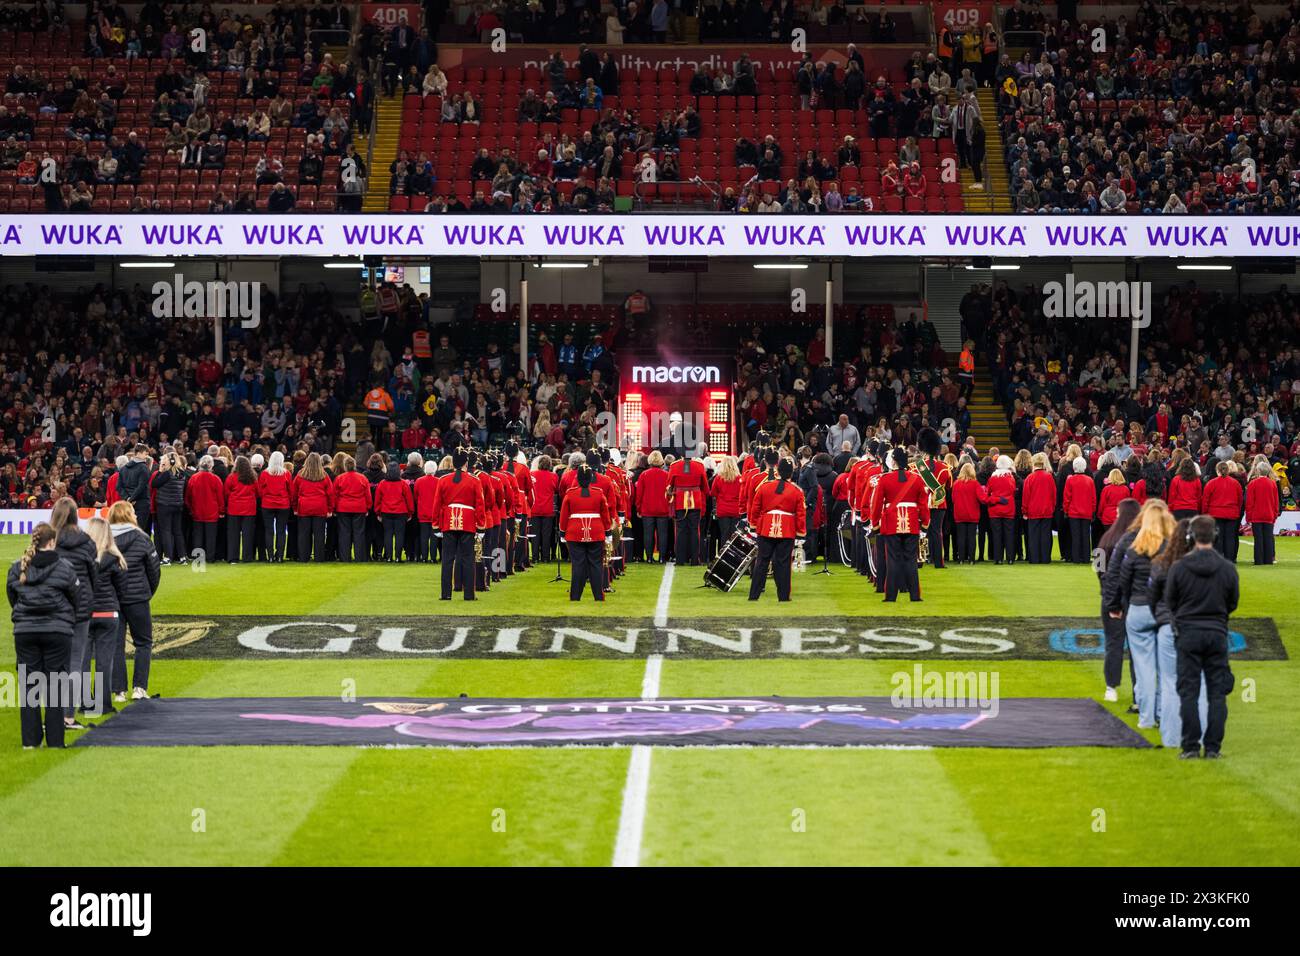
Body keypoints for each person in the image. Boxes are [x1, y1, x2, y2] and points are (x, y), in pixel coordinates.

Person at [1165, 516, 1239, 759]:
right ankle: (1213, 747)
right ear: (1215, 536)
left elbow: (1170, 602)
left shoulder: (1179, 568)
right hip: (1216, 633)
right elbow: (1232, 602)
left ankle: (1190, 746)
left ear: (1191, 537)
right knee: (1217, 692)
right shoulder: (1228, 568)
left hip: (1188, 633)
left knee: (1189, 691)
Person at [7, 523, 79, 748]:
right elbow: (76, 597)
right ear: (52, 542)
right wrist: (67, 618)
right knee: (56, 685)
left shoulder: (18, 567)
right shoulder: (63, 566)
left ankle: (30, 740)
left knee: (29, 685)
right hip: (56, 629)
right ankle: (56, 740)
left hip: (25, 630)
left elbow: (13, 597)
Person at [1108, 500, 1176, 728]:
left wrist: (1118, 604)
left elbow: (1120, 578)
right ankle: (1162, 715)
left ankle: (1146, 717)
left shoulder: (1133, 545)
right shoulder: (1172, 548)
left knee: (1144, 667)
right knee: (1166, 670)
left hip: (1138, 608)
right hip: (1164, 611)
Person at [1149, 518, 1209, 750]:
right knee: (1200, 683)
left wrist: (1163, 618)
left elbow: (1154, 598)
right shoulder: (1212, 566)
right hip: (1198, 628)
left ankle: (1172, 737)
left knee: (1170, 682)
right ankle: (1201, 737)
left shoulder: (1163, 565)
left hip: (1170, 627)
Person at [108, 500, 160, 704]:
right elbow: (154, 570)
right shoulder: (142, 538)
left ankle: (118, 691)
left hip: (112, 598)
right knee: (144, 642)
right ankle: (139, 688)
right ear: (129, 516)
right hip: (137, 597)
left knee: (116, 645)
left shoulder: (103, 539)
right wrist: (147, 592)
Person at [50, 498, 95, 730]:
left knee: (52, 664)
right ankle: (67, 716)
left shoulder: (48, 542)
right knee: (75, 662)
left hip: (53, 607)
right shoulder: (86, 541)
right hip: (80, 607)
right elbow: (93, 574)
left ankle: (52, 716)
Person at [1096, 498, 1141, 705]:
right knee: (1136, 648)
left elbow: (1099, 569)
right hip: (1134, 599)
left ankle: (1111, 687)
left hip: (1111, 597)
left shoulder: (1106, 538)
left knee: (1113, 644)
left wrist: (1108, 597)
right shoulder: (1141, 540)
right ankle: (1137, 691)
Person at [870, 447, 931, 601]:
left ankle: (891, 596)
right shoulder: (916, 478)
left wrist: (875, 524)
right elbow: (923, 505)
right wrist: (924, 523)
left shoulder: (885, 479)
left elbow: (876, 504)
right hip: (911, 522)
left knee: (892, 560)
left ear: (894, 461)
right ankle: (915, 595)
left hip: (891, 523)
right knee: (911, 560)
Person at [748, 458, 807, 602]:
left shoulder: (765, 487)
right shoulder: (796, 491)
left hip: (766, 527)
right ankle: (783, 596)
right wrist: (800, 532)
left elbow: (755, 508)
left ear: (778, 471)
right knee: (783, 563)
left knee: (761, 561)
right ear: (791, 473)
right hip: (786, 529)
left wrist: (754, 525)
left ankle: (754, 595)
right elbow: (800, 513)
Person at [433, 448, 486, 600]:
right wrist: (481, 526)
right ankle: (469, 594)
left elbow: (437, 504)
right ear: (465, 463)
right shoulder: (474, 480)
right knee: (468, 559)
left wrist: (436, 524)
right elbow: (480, 505)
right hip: (468, 522)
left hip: (448, 521)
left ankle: (445, 594)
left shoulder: (443, 480)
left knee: (448, 559)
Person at [560, 465, 611, 602]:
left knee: (578, 565)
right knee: (595, 565)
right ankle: (598, 596)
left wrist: (562, 532)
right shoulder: (598, 492)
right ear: (590, 478)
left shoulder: (570, 493)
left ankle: (575, 596)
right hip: (596, 532)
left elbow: (564, 515)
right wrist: (608, 532)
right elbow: (605, 515)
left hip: (574, 532)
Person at [666, 452, 709, 565]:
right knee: (695, 531)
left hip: (680, 501)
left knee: (680, 531)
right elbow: (705, 487)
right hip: (695, 501)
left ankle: (680, 559)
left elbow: (669, 485)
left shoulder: (674, 466)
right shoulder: (699, 465)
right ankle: (695, 560)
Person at [293, 451, 335, 562]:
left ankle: (303, 557)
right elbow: (330, 494)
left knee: (303, 535)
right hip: (320, 508)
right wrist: (330, 509)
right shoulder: (324, 475)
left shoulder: (300, 475)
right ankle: (319, 558)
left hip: (304, 507)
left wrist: (295, 508)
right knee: (319, 535)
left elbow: (294, 493)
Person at [1200, 460, 1244, 562]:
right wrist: (1237, 510)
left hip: (1215, 514)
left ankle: (1218, 558)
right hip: (1231, 513)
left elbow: (1205, 500)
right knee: (1230, 537)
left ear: (1217, 470)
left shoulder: (1211, 483)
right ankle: (1230, 559)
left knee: (1218, 537)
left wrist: (1205, 513)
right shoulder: (1235, 483)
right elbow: (1240, 499)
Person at [918, 428, 949, 568]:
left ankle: (921, 559)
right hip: (939, 504)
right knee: (936, 533)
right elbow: (949, 486)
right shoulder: (944, 467)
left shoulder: (915, 467)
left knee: (922, 531)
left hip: (922, 503)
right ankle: (938, 562)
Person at [151, 450, 188, 564]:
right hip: (177, 505)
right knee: (177, 531)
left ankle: (168, 557)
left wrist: (159, 471)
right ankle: (182, 557)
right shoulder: (182, 473)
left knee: (166, 531)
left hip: (164, 505)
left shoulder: (166, 474)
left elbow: (154, 484)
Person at [333, 454, 372, 561]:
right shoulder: (362, 478)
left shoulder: (339, 478)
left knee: (344, 534)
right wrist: (368, 507)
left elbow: (335, 495)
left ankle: (345, 557)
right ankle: (359, 557)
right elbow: (367, 495)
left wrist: (334, 508)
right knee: (359, 534)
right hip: (359, 508)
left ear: (345, 466)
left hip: (343, 508)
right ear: (354, 465)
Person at [184, 455, 224, 561]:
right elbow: (220, 497)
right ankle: (210, 558)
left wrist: (191, 509)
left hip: (197, 512)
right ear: (211, 465)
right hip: (212, 512)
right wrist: (221, 510)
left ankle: (198, 558)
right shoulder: (216, 479)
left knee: (198, 537)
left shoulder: (194, 478)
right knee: (211, 537)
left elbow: (188, 497)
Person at [636, 450, 671, 562]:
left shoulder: (644, 475)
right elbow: (670, 494)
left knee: (648, 534)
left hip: (647, 509)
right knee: (663, 535)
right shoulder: (666, 475)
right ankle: (661, 557)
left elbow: (639, 494)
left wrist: (638, 508)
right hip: (663, 509)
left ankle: (649, 557)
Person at [375, 462, 415, 562]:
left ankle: (388, 557)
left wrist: (378, 512)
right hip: (400, 512)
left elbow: (377, 500)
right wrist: (410, 512)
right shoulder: (403, 484)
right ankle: (397, 557)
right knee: (399, 535)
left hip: (386, 512)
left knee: (387, 534)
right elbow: (409, 500)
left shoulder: (382, 483)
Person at [1021, 452, 1057, 563]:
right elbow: (1053, 494)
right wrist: (1052, 507)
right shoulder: (1049, 477)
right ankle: (1045, 558)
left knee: (1033, 536)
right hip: (1047, 510)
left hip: (1033, 511)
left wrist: (1024, 511)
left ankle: (1034, 558)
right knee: (1045, 535)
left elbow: (1026, 496)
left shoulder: (1030, 478)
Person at [257, 451, 292, 562]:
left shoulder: (264, 473)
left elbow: (260, 491)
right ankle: (280, 556)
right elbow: (290, 491)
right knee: (281, 531)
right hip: (283, 505)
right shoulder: (286, 474)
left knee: (269, 531)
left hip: (267, 504)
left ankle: (271, 556)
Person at [224, 455, 259, 562]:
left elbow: (226, 492)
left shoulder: (231, 477)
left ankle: (233, 558)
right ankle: (247, 557)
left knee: (233, 535)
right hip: (249, 509)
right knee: (248, 535)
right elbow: (257, 493)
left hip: (234, 509)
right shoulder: (253, 478)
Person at [1062, 456, 1096, 563]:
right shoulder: (1090, 480)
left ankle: (1076, 558)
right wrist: (1093, 510)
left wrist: (1066, 510)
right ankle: (1086, 558)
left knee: (1075, 536)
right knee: (1086, 536)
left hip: (1073, 513)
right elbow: (1093, 498)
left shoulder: (1070, 480)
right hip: (1086, 512)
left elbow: (1067, 497)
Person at [1245, 461, 1279, 565]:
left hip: (1256, 515)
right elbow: (1275, 501)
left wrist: (1248, 517)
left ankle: (1259, 560)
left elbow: (1250, 502)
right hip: (1269, 514)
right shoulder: (1273, 484)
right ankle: (1268, 560)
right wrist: (1275, 514)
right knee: (1268, 538)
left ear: (1258, 470)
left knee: (1258, 539)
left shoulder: (1252, 483)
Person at [985, 454, 1017, 564]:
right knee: (1009, 534)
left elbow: (988, 493)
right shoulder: (1011, 477)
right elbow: (1013, 490)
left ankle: (998, 558)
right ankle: (1010, 558)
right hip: (1008, 509)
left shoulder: (992, 478)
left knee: (997, 535)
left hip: (995, 510)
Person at [950, 461, 984, 563]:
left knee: (961, 537)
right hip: (972, 514)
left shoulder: (956, 484)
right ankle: (971, 559)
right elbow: (982, 499)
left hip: (960, 514)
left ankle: (961, 559)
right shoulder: (975, 484)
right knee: (972, 538)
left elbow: (953, 499)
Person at [529, 455, 559, 564]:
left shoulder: (532, 474)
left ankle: (535, 556)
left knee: (535, 534)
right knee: (546, 535)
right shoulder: (554, 476)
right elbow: (556, 489)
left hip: (535, 508)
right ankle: (546, 557)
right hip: (548, 509)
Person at [711, 455, 743, 549]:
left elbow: (713, 492)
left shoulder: (718, 478)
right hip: (735, 510)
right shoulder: (739, 479)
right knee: (734, 536)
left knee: (724, 535)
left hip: (723, 509)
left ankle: (722, 557)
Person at [413, 460, 441, 563]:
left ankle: (424, 557)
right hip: (434, 513)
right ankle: (433, 558)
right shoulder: (438, 481)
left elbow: (416, 497)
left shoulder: (419, 481)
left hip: (423, 512)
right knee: (434, 537)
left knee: (423, 536)